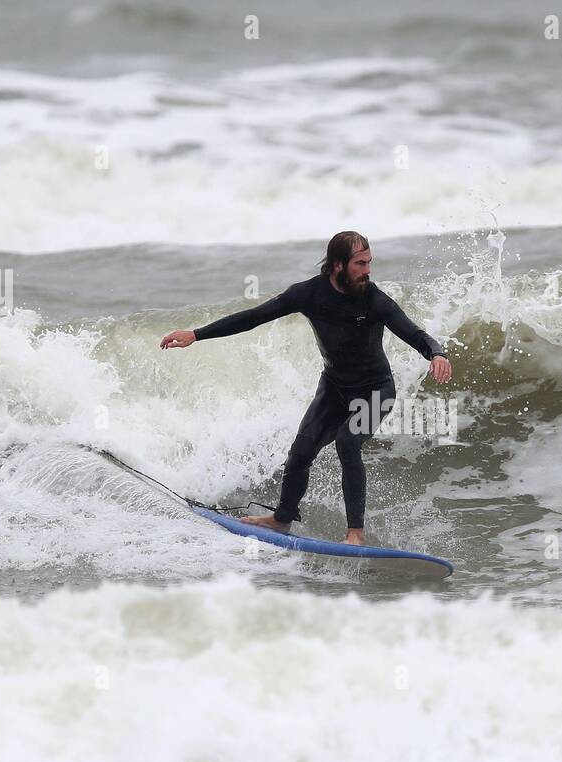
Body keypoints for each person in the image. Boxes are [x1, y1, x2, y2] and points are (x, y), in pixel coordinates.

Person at [160, 231, 452, 545]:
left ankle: (355, 534)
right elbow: (254, 317)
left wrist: (435, 353)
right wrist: (196, 334)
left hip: (375, 391)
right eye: (360, 263)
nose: (368, 270)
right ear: (338, 265)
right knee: (299, 454)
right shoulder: (309, 294)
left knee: (348, 442)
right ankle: (282, 519)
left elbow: (413, 332)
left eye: (369, 262)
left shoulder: (374, 299)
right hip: (335, 388)